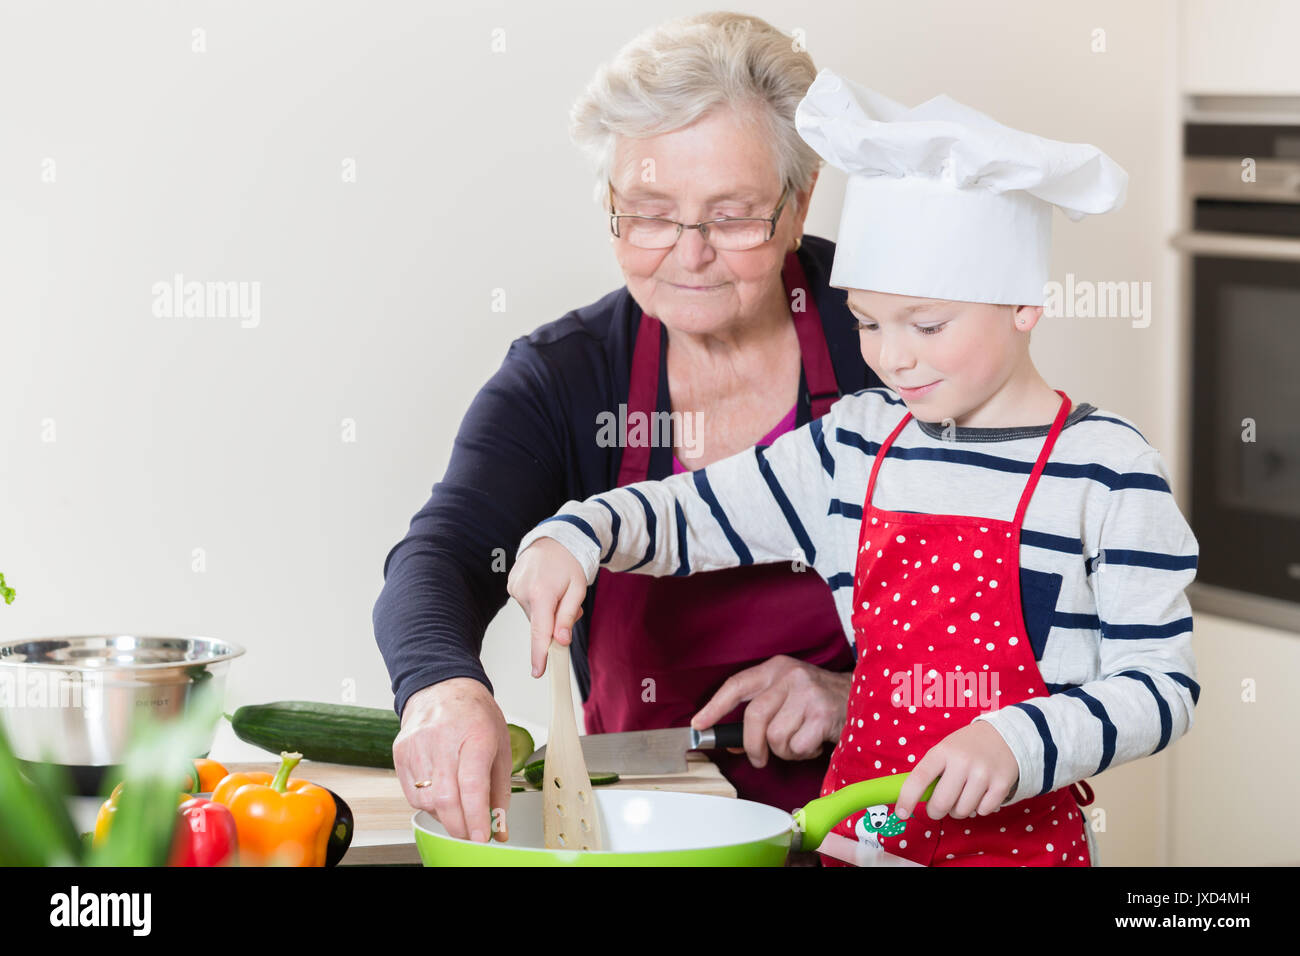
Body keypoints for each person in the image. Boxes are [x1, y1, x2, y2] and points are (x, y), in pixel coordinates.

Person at [507, 70, 1200, 866]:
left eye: (929, 325)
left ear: (1023, 306)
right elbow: (687, 515)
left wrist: (1019, 740)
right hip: (864, 840)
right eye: (869, 322)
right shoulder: (855, 445)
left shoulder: (1105, 472)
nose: (894, 358)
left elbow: (1161, 686)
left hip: (1019, 848)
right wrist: (578, 533)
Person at [373, 14, 882, 844]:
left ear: (800, 202)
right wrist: (444, 688)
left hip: (881, 816)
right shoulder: (566, 377)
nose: (689, 254)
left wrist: (852, 694)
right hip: (650, 835)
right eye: (647, 212)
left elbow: (1021, 609)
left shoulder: (893, 341)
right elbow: (444, 553)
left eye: (732, 215)